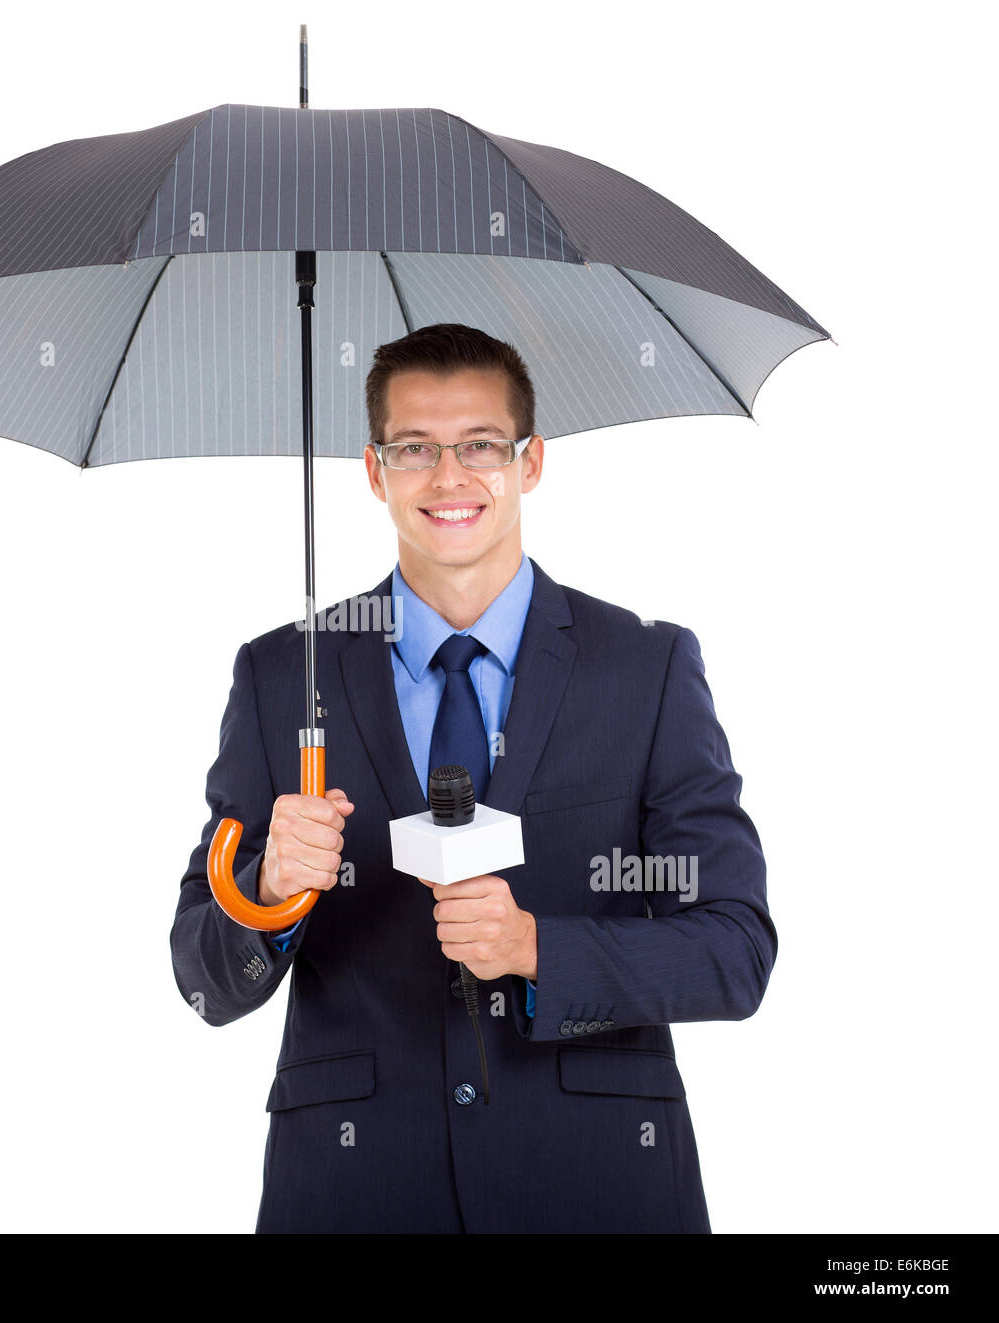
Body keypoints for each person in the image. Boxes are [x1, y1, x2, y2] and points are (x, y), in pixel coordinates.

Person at [169, 323, 775, 1234]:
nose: (449, 478)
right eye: (414, 447)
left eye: (481, 445)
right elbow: (204, 979)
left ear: (530, 462)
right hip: (356, 1190)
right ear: (375, 471)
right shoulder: (281, 675)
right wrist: (269, 890)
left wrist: (538, 947)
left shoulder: (642, 668)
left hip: (595, 1186)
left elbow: (735, 951)